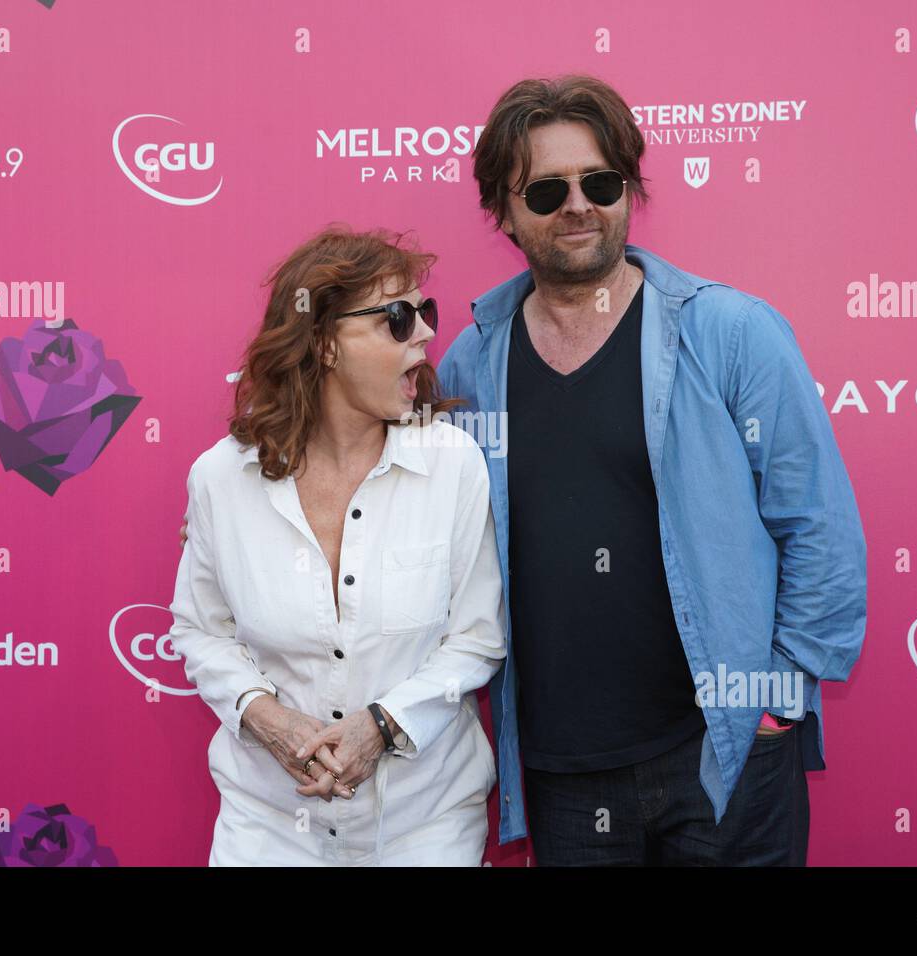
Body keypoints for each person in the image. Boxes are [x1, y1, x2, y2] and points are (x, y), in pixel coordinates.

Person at [433, 74, 868, 865]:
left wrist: (775, 700)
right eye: (545, 191)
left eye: (600, 182)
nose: (577, 205)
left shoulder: (731, 333)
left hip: (724, 751)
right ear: (501, 210)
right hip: (562, 773)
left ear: (629, 189)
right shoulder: (473, 361)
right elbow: (425, 524)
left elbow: (818, 525)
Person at [168, 224, 506, 865]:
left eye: (424, 312)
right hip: (267, 825)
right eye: (398, 319)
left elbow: (478, 637)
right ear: (323, 345)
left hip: (425, 825)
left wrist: (379, 729)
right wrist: (270, 720)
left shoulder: (453, 464)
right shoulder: (222, 478)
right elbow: (201, 632)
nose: (428, 335)